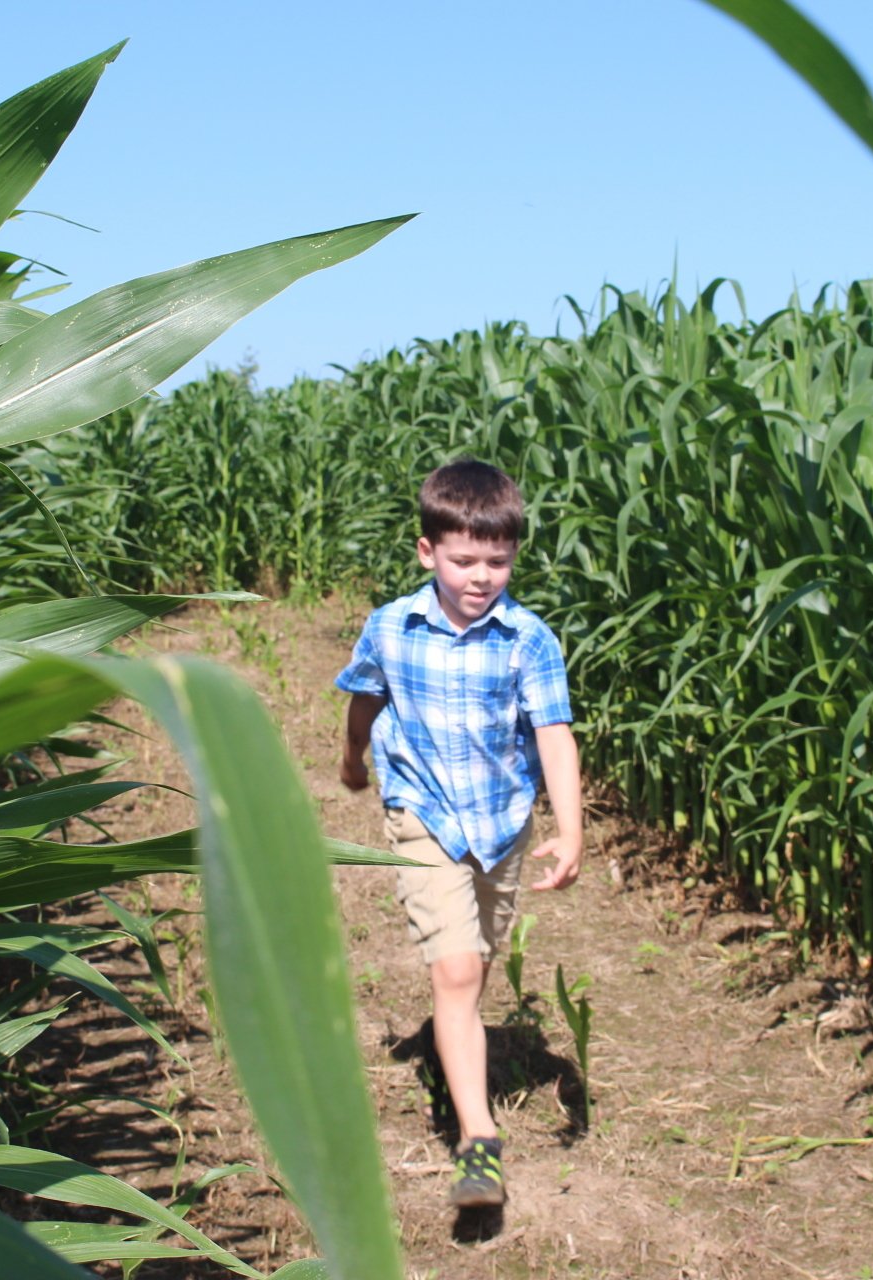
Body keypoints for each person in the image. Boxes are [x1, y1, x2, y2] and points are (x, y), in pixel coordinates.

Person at [336, 458, 583, 1210]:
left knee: (476, 959)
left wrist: (570, 828)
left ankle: (462, 1041)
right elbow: (364, 700)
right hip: (423, 814)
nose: (482, 576)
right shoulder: (391, 626)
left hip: (502, 824)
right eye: (464, 560)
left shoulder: (528, 638)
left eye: (498, 562)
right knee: (455, 973)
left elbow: (553, 734)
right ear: (427, 552)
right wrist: (352, 760)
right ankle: (479, 1140)